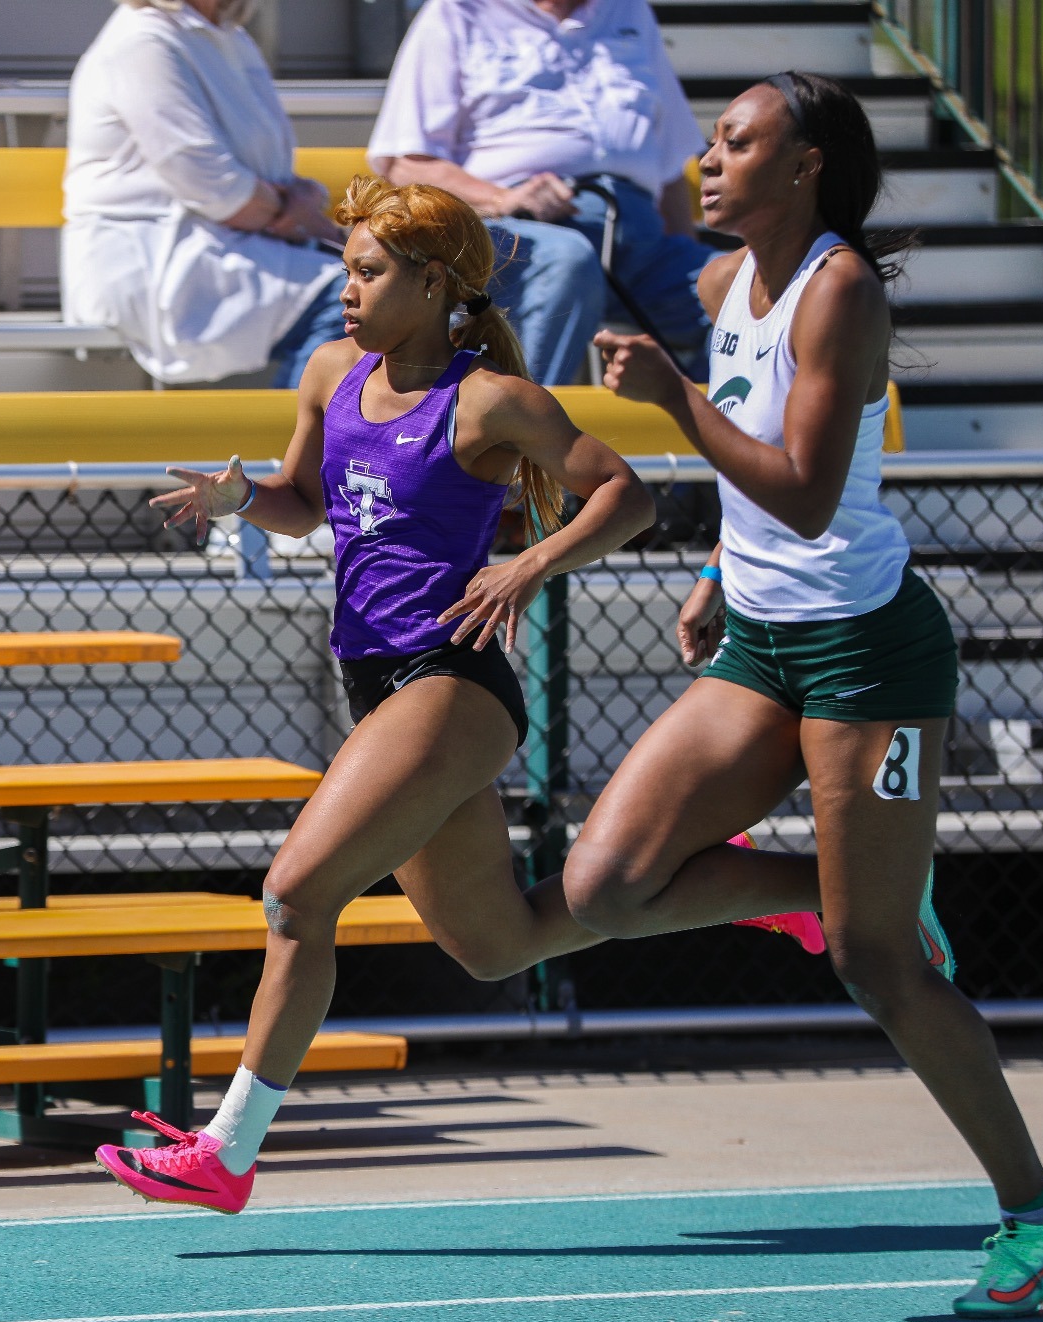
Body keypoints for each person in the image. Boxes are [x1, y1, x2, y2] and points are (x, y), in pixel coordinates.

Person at [572, 73, 1043, 1320]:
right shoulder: (715, 286)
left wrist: (668, 403)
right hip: (761, 638)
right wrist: (710, 566)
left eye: (735, 143)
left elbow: (804, 490)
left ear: (803, 166)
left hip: (868, 655)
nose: (705, 162)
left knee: (876, 967)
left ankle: (1035, 1207)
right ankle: (845, 894)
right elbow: (761, 466)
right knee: (603, 887)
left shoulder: (840, 286)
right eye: (706, 143)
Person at [93, 175, 658, 1213]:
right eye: (343, 268)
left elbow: (627, 493)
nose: (344, 290)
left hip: (451, 684)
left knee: (298, 893)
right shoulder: (326, 372)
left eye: (366, 272)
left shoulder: (489, 399)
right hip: (375, 684)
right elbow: (305, 505)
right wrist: (239, 499)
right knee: (499, 946)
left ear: (435, 282)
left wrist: (527, 566)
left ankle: (227, 1148)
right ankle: (768, 891)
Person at [369, 0, 721, 382]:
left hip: (639, 243)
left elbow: (668, 167)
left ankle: (720, 432)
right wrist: (502, 199)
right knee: (568, 261)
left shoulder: (630, 9)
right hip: (518, 233)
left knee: (739, 283)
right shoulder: (456, 11)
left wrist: (685, 249)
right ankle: (518, 432)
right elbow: (405, 163)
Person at [61, 0, 347, 389]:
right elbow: (215, 187)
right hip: (159, 261)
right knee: (349, 300)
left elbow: (262, 165)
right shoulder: (143, 41)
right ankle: (304, 447)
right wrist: (297, 213)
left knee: (389, 291)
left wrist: (300, 201)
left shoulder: (229, 36)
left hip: (231, 247)